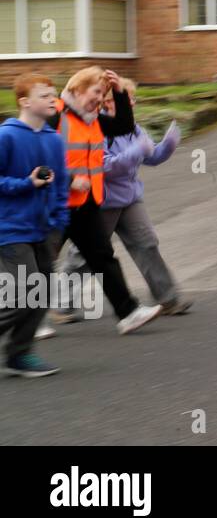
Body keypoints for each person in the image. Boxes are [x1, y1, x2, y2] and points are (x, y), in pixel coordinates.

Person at [49, 67, 161, 335]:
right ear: (77, 89)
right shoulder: (54, 114)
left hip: (84, 204)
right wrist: (67, 181)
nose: (100, 99)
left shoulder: (92, 119)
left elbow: (123, 126)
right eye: (96, 92)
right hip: (53, 202)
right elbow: (35, 157)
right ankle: (23, 321)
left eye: (103, 94)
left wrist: (119, 92)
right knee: (38, 259)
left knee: (102, 257)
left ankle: (129, 313)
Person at [98, 79, 191, 316]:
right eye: (129, 97)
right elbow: (105, 167)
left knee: (147, 244)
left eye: (133, 98)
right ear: (108, 100)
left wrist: (168, 144)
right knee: (86, 256)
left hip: (129, 199)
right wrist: (136, 151)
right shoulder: (97, 128)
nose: (133, 102)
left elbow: (151, 157)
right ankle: (62, 303)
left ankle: (168, 299)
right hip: (103, 202)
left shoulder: (132, 127)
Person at [0, 74, 69, 376]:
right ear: (24, 102)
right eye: (44, 95)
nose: (52, 99)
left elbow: (62, 184)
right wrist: (25, 184)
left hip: (44, 229)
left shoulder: (54, 139)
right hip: (10, 228)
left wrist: (59, 223)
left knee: (41, 294)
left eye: (53, 94)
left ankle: (19, 356)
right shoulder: (7, 136)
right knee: (23, 294)